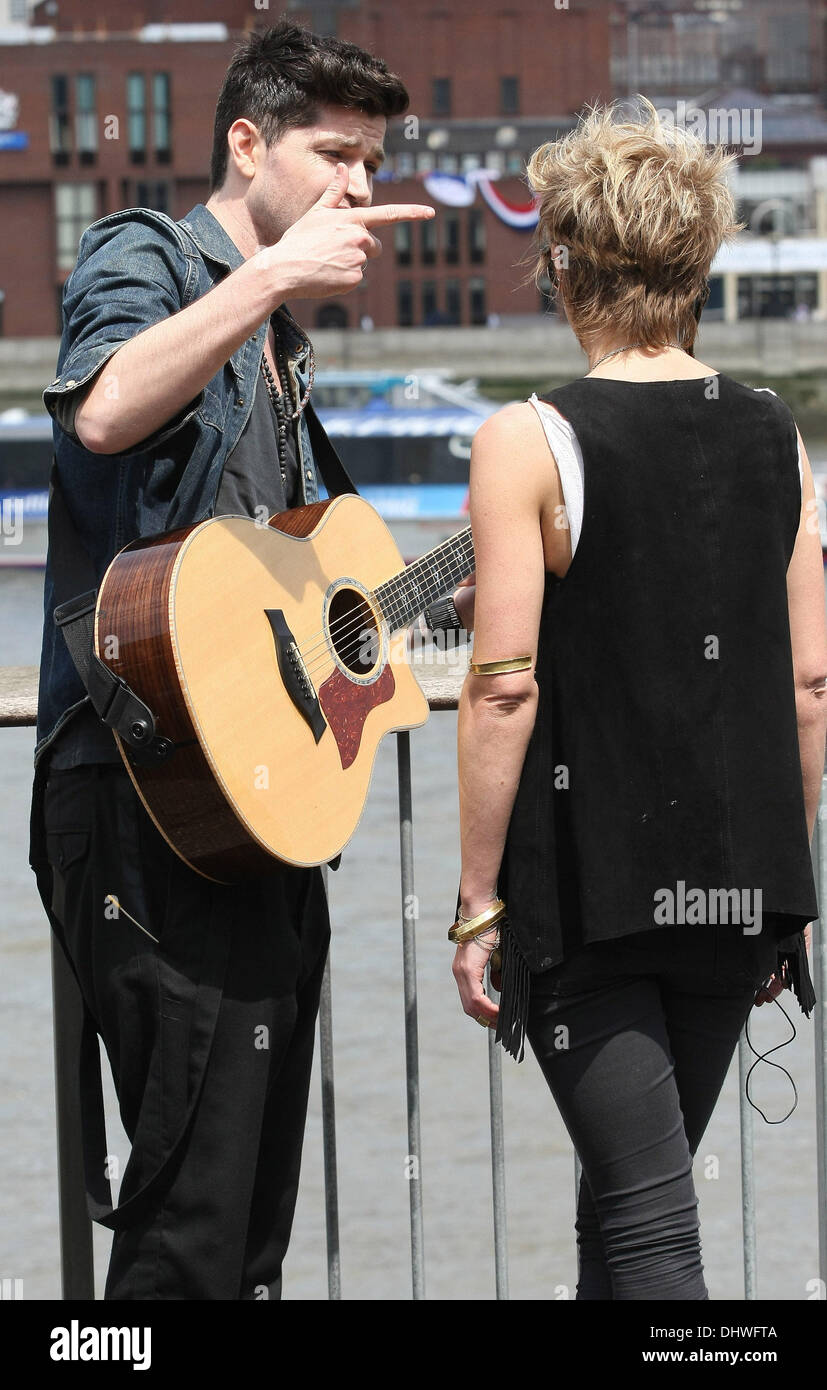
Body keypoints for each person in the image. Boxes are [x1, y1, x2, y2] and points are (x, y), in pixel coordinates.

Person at [28, 20, 436, 1300]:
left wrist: (381, 650)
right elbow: (100, 407)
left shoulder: (285, 362)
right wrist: (264, 279)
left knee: (251, 1227)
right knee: (187, 1230)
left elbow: (296, 627)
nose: (358, 192)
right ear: (246, 143)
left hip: (254, 813)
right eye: (334, 156)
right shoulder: (145, 251)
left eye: (372, 164)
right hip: (142, 802)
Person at [450, 100, 827, 1300]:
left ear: (562, 264)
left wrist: (471, 903)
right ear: (699, 265)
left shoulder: (530, 440)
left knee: (651, 1235)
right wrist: (783, 885)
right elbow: (809, 685)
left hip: (594, 897)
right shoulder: (776, 435)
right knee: (616, 1224)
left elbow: (502, 689)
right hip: (734, 898)